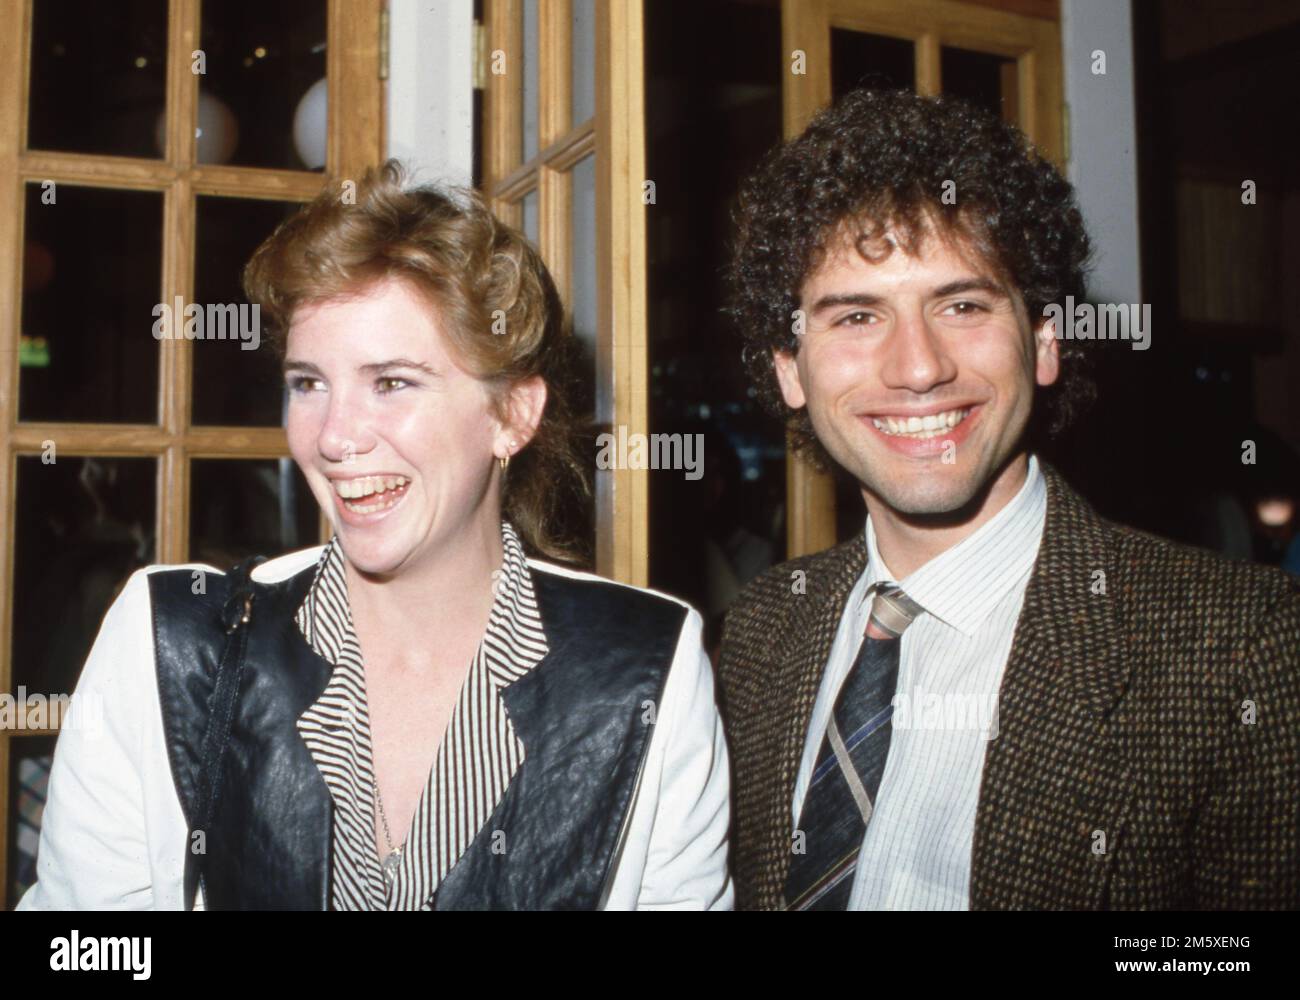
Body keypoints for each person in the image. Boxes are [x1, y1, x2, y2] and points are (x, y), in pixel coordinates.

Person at [19, 161, 732, 911]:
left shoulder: (646, 665)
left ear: (513, 414)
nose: (334, 436)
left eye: (391, 382)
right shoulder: (173, 640)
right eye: (308, 383)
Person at [717, 88, 1300, 910]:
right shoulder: (761, 629)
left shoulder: (1240, 645)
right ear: (790, 370)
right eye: (855, 316)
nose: (917, 366)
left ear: (1045, 341)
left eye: (962, 305)